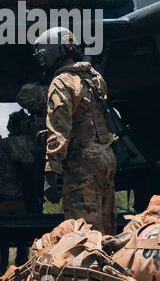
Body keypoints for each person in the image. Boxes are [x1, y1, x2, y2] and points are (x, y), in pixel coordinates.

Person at [33, 27, 117, 236]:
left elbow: (59, 130)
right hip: (106, 157)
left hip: (83, 163)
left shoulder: (61, 82)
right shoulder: (95, 77)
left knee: (83, 233)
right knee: (106, 230)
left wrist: (51, 172)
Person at [0, 82, 47, 274]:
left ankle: (6, 270)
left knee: (6, 237)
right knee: (13, 240)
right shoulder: (26, 144)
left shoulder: (13, 145)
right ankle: (16, 269)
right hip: (27, 202)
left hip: (19, 202)